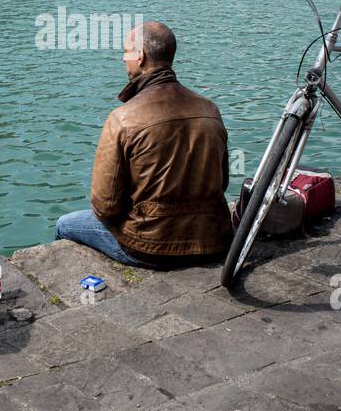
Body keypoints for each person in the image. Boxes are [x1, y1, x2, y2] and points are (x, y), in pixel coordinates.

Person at [56, 22, 233, 267]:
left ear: (140, 56)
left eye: (126, 51)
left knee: (65, 225)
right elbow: (221, 183)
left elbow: (105, 207)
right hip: (214, 241)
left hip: (151, 247)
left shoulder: (123, 118)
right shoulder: (210, 109)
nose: (122, 58)